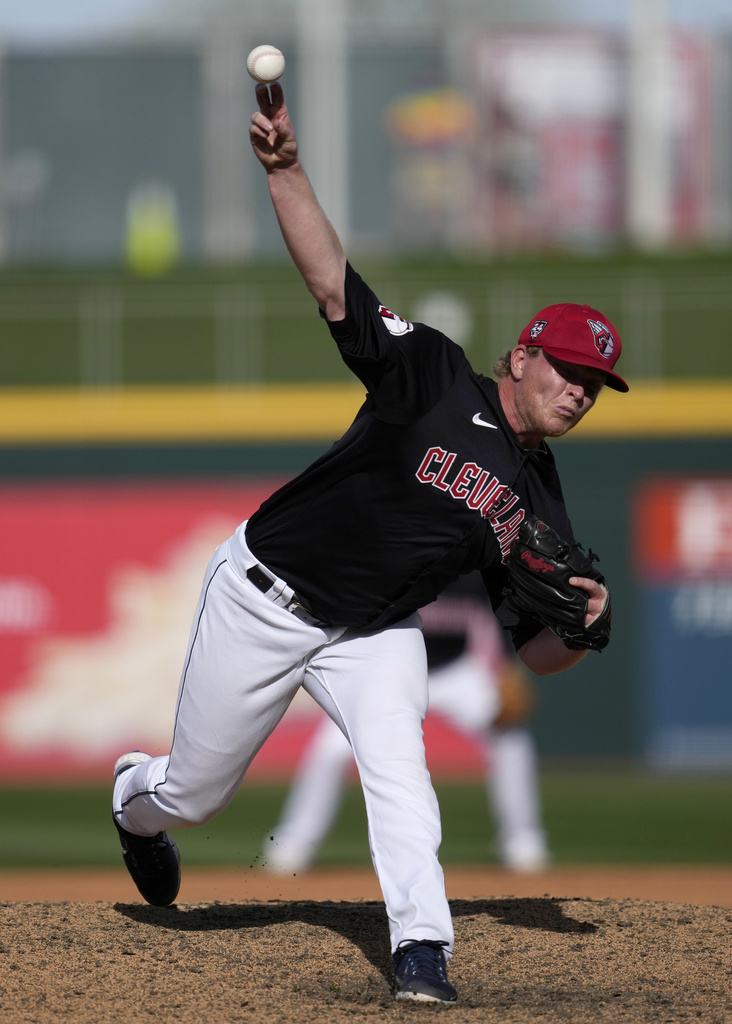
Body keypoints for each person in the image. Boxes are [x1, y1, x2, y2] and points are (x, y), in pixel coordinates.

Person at [112, 81, 628, 1005]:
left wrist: (588, 627)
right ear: (521, 356)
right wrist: (285, 171)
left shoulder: (540, 498)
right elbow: (332, 286)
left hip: (374, 631)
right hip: (268, 592)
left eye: (597, 384)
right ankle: (133, 804)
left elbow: (534, 651)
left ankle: (422, 953)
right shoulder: (430, 372)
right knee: (192, 794)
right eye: (571, 369)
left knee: (401, 773)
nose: (582, 390)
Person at [263, 572, 550, 875]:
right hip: (391, 673)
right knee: (331, 749)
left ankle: (523, 840)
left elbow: (500, 606)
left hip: (455, 672)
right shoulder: (399, 559)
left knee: (510, 736)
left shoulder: (470, 566)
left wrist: (507, 667)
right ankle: (293, 844)